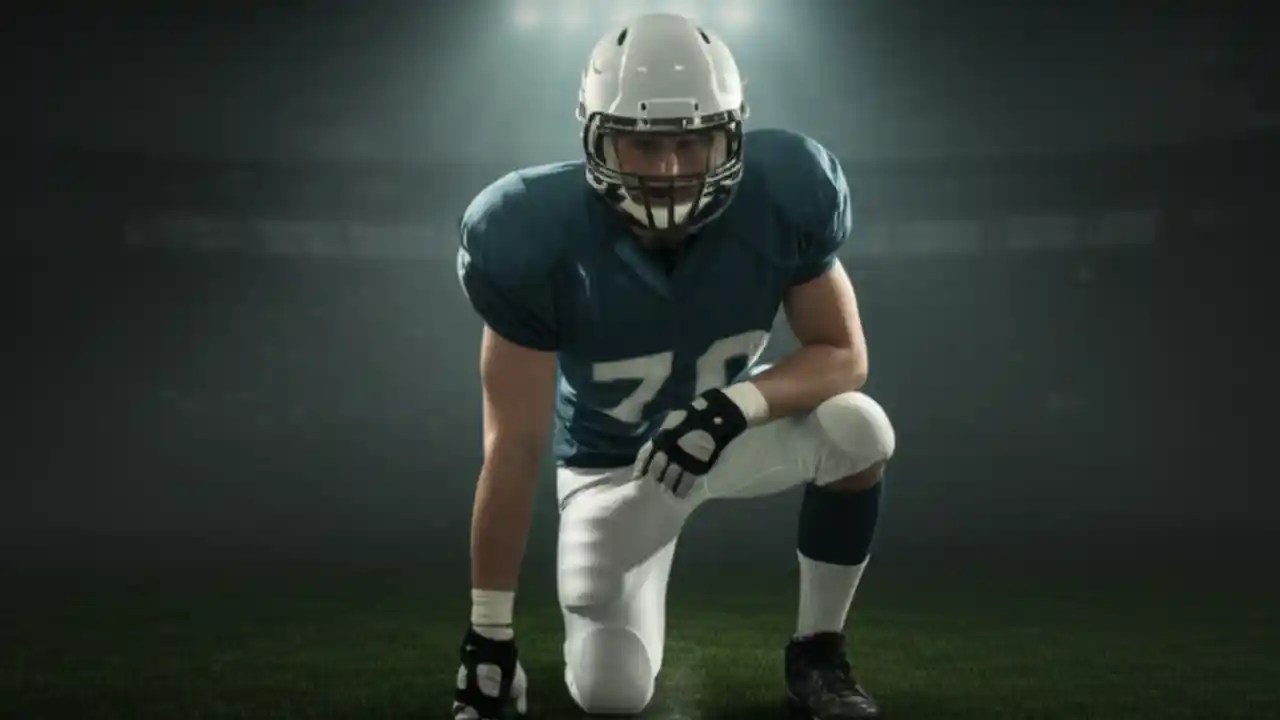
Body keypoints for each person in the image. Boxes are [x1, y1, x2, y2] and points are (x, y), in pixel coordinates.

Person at [451, 12, 895, 719]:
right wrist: (489, 632)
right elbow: (514, 446)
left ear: (731, 135)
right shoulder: (529, 230)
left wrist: (732, 409)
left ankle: (818, 651)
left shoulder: (783, 192)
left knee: (858, 430)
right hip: (611, 476)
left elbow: (844, 355)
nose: (669, 169)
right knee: (613, 696)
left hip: (723, 435)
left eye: (692, 142)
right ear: (597, 137)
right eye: (643, 143)